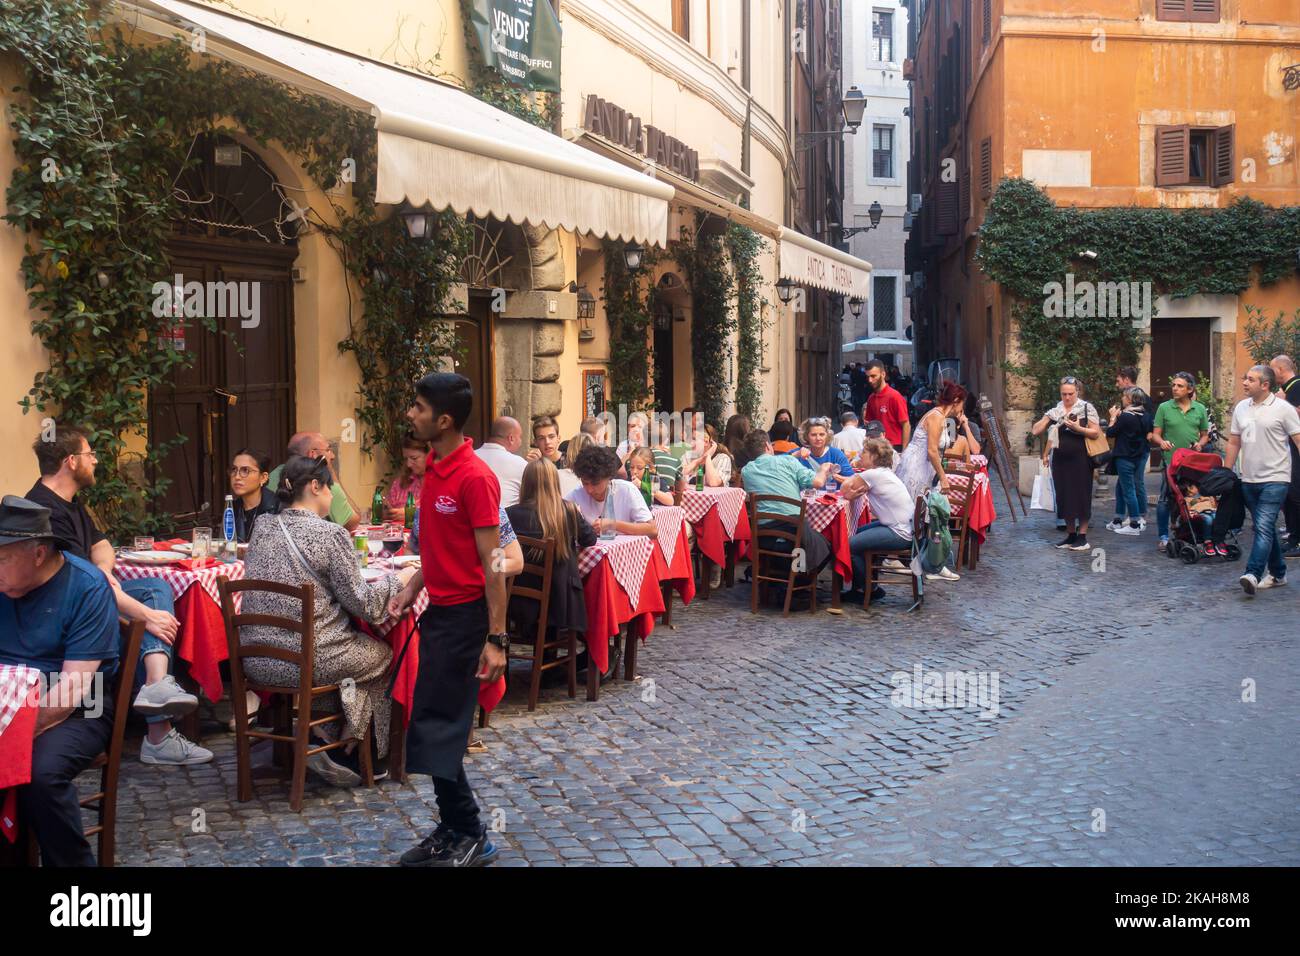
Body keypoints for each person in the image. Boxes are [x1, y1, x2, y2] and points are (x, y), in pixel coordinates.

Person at [25, 426, 210, 766]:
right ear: (70, 461)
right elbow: (80, 583)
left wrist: (105, 574)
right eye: (89, 454)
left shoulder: (70, 502)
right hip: (71, 614)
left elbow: (101, 545)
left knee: (157, 587)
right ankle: (158, 733)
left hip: (91, 594)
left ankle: (156, 684)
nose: (95, 460)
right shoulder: (42, 509)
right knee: (149, 612)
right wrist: (144, 614)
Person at [389, 372, 508, 868]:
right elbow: (440, 543)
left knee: (442, 725)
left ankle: (472, 832)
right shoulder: (433, 468)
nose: (410, 414)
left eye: (417, 407)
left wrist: (496, 637)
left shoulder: (475, 477)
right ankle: (454, 827)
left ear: (443, 420)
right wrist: (417, 581)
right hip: (438, 612)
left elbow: (493, 562)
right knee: (433, 722)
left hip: (467, 618)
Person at [242, 454, 412, 785]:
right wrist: (402, 579)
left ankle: (325, 741)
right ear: (315, 486)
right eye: (330, 487)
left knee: (343, 658)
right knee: (382, 656)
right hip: (307, 660)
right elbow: (366, 605)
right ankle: (364, 756)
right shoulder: (330, 535)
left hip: (255, 657)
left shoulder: (261, 526)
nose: (333, 496)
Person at [0, 495, 120, 866]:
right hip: (6, 697)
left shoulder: (86, 587)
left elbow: (74, 688)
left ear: (37, 554)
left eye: (2, 559)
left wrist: (14, 735)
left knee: (38, 773)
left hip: (78, 706)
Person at [506, 459, 598, 646]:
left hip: (515, 602)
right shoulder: (567, 510)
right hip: (560, 602)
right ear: (554, 483)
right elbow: (590, 539)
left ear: (526, 483)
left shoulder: (509, 514)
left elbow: (497, 556)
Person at [1226, 365, 1300, 595]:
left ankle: (1253, 573)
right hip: (1248, 479)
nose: (1245, 383)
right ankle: (1278, 573)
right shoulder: (1241, 408)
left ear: (1265, 385)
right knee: (1263, 527)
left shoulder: (1282, 409)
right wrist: (1226, 472)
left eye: (1251, 379)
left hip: (1276, 478)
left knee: (1263, 526)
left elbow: (1298, 438)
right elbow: (1234, 441)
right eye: (1245, 378)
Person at [739, 429, 834, 576]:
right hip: (793, 532)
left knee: (809, 544)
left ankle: (778, 577)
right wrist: (823, 469)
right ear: (768, 445)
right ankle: (799, 579)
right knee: (827, 546)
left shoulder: (746, 471)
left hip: (763, 536)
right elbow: (818, 482)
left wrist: (792, 456)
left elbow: (772, 464)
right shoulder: (787, 462)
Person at [839, 438, 915, 602]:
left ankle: (870, 588)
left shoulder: (872, 474)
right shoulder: (883, 473)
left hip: (899, 532)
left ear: (874, 456)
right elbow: (850, 487)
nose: (861, 454)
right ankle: (859, 586)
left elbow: (845, 488)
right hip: (906, 527)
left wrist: (851, 493)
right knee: (855, 533)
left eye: (864, 452)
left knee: (849, 546)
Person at [1031, 377, 1101, 552]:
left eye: (1070, 394)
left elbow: (1095, 433)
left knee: (1081, 495)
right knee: (1064, 496)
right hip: (1060, 460)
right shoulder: (1057, 410)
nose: (1067, 397)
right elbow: (1037, 431)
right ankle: (1070, 535)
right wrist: (1049, 418)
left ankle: (1082, 537)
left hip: (1081, 459)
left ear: (1077, 392)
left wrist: (1078, 428)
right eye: (1064, 394)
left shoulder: (1086, 408)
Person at [1151, 372, 1211, 552]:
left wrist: (1200, 445)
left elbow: (1205, 435)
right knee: (1164, 499)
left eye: (1180, 386)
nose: (1175, 388)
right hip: (1170, 462)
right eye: (1174, 385)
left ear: (1190, 389)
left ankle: (1189, 532)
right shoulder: (1164, 407)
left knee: (1191, 497)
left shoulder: (1199, 408)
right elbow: (1156, 433)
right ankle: (1163, 536)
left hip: (1192, 463)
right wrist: (1161, 442)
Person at [896, 381, 980, 501]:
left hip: (925, 468)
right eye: (962, 403)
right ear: (956, 401)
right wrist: (943, 478)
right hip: (917, 468)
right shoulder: (936, 417)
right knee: (913, 511)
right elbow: (932, 450)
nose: (963, 407)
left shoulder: (941, 416)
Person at [268, 432, 360, 532]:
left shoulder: (273, 475)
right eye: (328, 450)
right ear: (313, 454)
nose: (333, 456)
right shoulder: (322, 483)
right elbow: (352, 523)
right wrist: (331, 472)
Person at [564, 445, 658, 538]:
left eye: (595, 483)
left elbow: (652, 530)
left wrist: (613, 524)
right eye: (585, 483)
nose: (589, 489)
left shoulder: (626, 490)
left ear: (609, 477)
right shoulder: (576, 495)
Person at [1104, 387, 1155, 536]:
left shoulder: (1126, 416)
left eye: (1125, 396)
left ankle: (1134, 523)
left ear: (1131, 399)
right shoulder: (1144, 415)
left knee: (1128, 490)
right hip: (1139, 456)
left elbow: (1111, 432)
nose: (1123, 398)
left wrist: (1113, 417)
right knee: (1121, 487)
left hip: (1125, 456)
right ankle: (1118, 519)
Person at [1268, 354, 1300, 558]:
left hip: (1295, 449)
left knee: (1296, 493)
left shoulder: (1296, 387)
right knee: (1289, 493)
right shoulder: (1288, 389)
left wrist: (1283, 402)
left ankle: (1298, 539)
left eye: (1273, 370)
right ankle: (1292, 533)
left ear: (1280, 370)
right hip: (1287, 449)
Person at [228, 448, 279, 543]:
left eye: (245, 470)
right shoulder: (232, 508)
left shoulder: (277, 508)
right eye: (234, 469)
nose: (237, 476)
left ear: (263, 478)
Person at [475, 416, 527, 508]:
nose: (521, 442)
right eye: (520, 437)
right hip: (508, 520)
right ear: (511, 438)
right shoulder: (520, 464)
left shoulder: (471, 457)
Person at [864, 359, 912, 453]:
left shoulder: (895, 396)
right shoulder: (871, 398)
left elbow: (906, 424)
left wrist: (904, 451)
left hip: (894, 446)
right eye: (868, 377)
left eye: (873, 376)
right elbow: (870, 423)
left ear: (883, 374)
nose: (870, 380)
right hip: (877, 446)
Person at [382, 434, 429, 523]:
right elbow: (387, 513)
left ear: (429, 454)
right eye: (406, 459)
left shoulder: (441, 483)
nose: (409, 464)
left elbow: (442, 516)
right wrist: (386, 512)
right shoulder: (399, 483)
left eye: (414, 458)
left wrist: (411, 514)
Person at [789, 418, 855, 482]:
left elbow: (852, 479)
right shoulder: (798, 452)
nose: (818, 438)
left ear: (827, 436)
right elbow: (779, 464)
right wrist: (796, 455)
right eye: (813, 435)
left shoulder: (836, 454)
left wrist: (833, 475)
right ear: (806, 436)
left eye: (822, 434)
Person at [680, 423, 734, 488]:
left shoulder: (723, 458)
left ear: (706, 442)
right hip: (691, 497)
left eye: (694, 439)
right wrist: (698, 461)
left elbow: (713, 483)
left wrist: (708, 457)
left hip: (714, 498)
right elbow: (678, 477)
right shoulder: (688, 456)